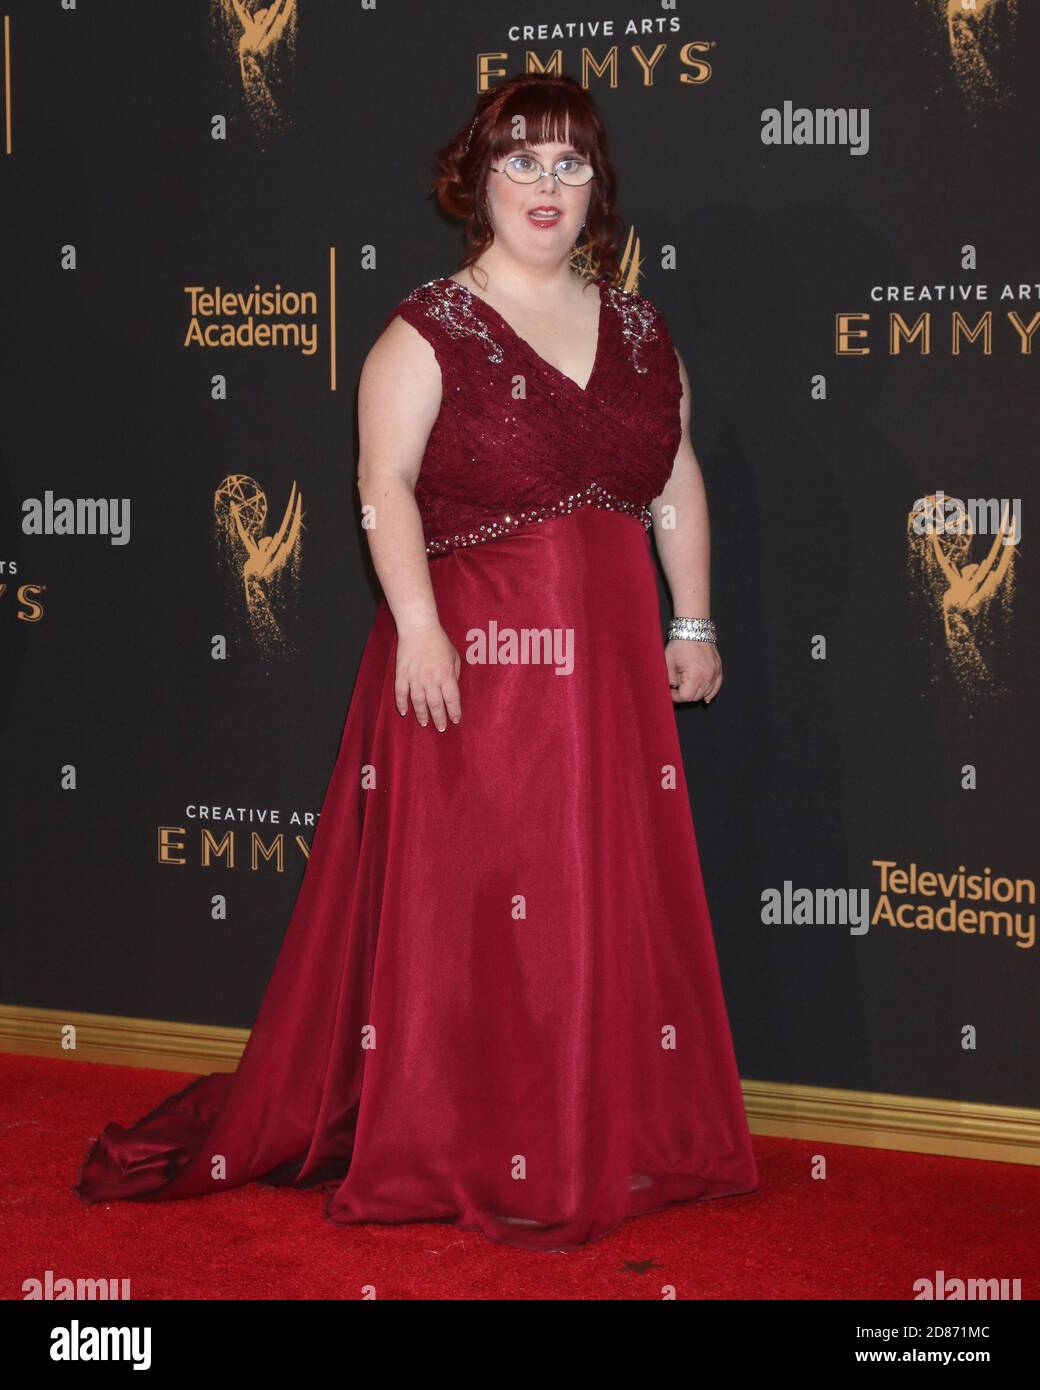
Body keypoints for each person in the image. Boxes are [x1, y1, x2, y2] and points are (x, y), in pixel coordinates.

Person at [75, 72, 759, 1253]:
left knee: (600, 896)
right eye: (520, 160)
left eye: (569, 163)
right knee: (488, 912)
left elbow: (671, 479)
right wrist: (423, 628)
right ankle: (466, 1135)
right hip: (476, 669)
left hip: (604, 677)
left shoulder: (643, 329)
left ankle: (605, 1129)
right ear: (476, 177)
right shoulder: (423, 326)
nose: (544, 186)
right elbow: (380, 486)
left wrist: (690, 624)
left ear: (596, 187)